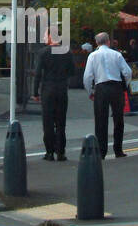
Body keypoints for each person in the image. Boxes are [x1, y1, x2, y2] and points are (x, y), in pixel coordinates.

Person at [82, 31, 132, 158]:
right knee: (118, 119)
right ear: (108, 41)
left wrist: (90, 92)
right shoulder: (116, 54)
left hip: (101, 87)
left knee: (100, 120)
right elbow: (127, 72)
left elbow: (87, 77)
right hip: (116, 86)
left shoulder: (92, 56)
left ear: (97, 43)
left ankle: (101, 151)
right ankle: (118, 149)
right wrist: (125, 85)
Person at [32, 33, 74, 161]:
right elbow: (72, 71)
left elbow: (38, 73)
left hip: (48, 89)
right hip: (61, 89)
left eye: (45, 36)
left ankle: (49, 152)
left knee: (48, 121)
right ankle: (61, 152)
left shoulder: (43, 52)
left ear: (51, 37)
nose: (44, 38)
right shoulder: (67, 51)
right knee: (61, 122)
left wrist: (35, 92)